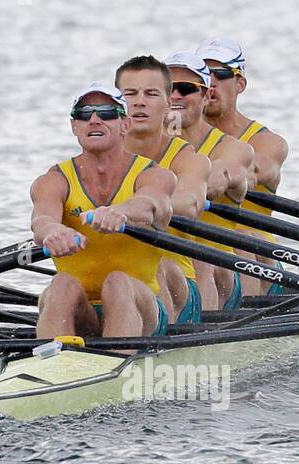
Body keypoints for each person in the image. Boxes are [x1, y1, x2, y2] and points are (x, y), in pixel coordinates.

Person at [30, 83, 176, 340]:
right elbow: (42, 221)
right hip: (78, 307)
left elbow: (150, 204)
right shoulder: (53, 180)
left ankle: (118, 364)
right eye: (85, 114)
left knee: (117, 282)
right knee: (61, 284)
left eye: (106, 113)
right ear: (75, 126)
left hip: (141, 305)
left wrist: (120, 212)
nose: (94, 120)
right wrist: (54, 232)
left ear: (125, 125)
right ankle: (51, 367)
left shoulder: (154, 175)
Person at [115, 55, 217, 319]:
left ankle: (156, 353)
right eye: (130, 94)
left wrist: (145, 208)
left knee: (157, 266)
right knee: (62, 286)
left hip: (176, 284)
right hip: (109, 282)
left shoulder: (189, 160)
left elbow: (190, 203)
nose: (138, 102)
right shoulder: (95, 159)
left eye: (150, 94)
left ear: (168, 102)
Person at [197, 37, 290, 297]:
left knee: (242, 236)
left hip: (258, 258)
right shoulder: (172, 138)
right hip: (193, 250)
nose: (210, 82)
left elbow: (255, 170)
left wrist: (227, 177)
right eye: (202, 75)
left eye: (221, 74)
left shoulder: (267, 142)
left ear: (240, 84)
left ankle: (242, 327)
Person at [163, 51, 256, 310]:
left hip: (219, 271)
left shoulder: (233, 148)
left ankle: (198, 342)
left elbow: (216, 178)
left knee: (200, 260)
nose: (175, 96)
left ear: (206, 96)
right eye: (167, 88)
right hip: (161, 268)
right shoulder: (143, 146)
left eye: (186, 89)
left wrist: (148, 202)